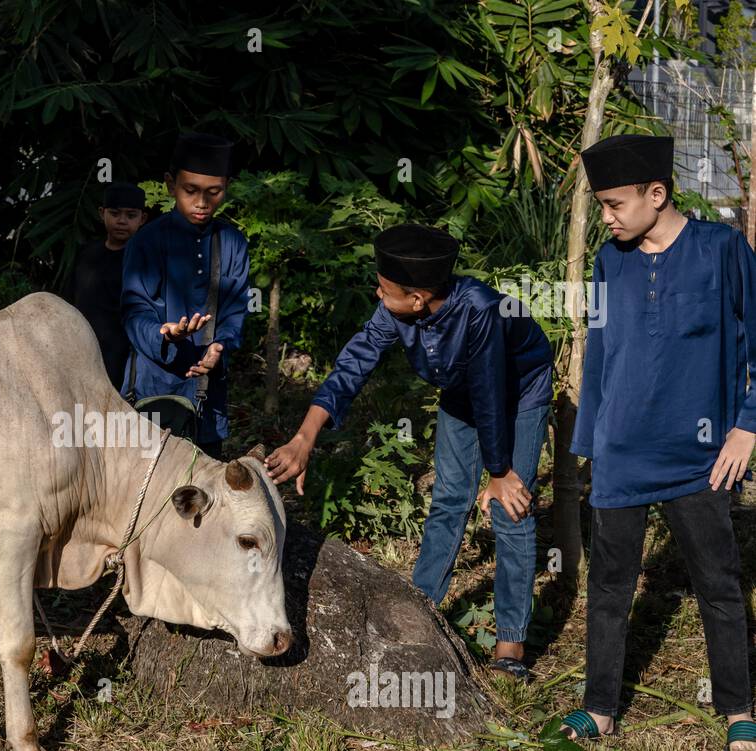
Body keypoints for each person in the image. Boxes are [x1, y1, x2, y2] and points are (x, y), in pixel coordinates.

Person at [266, 224, 554, 680]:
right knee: (449, 499)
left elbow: (491, 392)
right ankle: (417, 610)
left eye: (384, 291)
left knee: (511, 507)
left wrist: (499, 473)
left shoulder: (481, 310)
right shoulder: (396, 312)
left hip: (518, 392)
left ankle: (510, 648)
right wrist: (305, 436)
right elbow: (354, 363)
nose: (378, 297)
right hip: (463, 392)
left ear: (418, 298)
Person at [563, 134, 756, 751]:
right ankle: (600, 708)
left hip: (700, 456)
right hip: (622, 452)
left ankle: (737, 709)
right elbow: (599, 356)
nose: (608, 217)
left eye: (616, 204)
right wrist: (591, 440)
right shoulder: (608, 260)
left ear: (657, 193)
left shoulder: (722, 251)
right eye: (601, 206)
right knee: (611, 585)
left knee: (719, 584)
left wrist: (747, 425)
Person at [120, 132, 251, 458]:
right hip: (154, 388)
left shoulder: (232, 242)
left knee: (203, 491)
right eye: (190, 191)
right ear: (169, 184)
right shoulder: (147, 241)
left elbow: (235, 309)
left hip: (208, 394)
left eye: (214, 192)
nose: (202, 203)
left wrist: (221, 345)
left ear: (226, 187)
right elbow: (134, 309)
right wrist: (164, 334)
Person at [64, 182, 148, 388]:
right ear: (102, 213)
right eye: (115, 213)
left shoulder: (145, 261)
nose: (121, 221)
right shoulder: (86, 254)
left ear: (142, 219)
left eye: (131, 215)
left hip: (123, 354)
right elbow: (67, 300)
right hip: (80, 346)